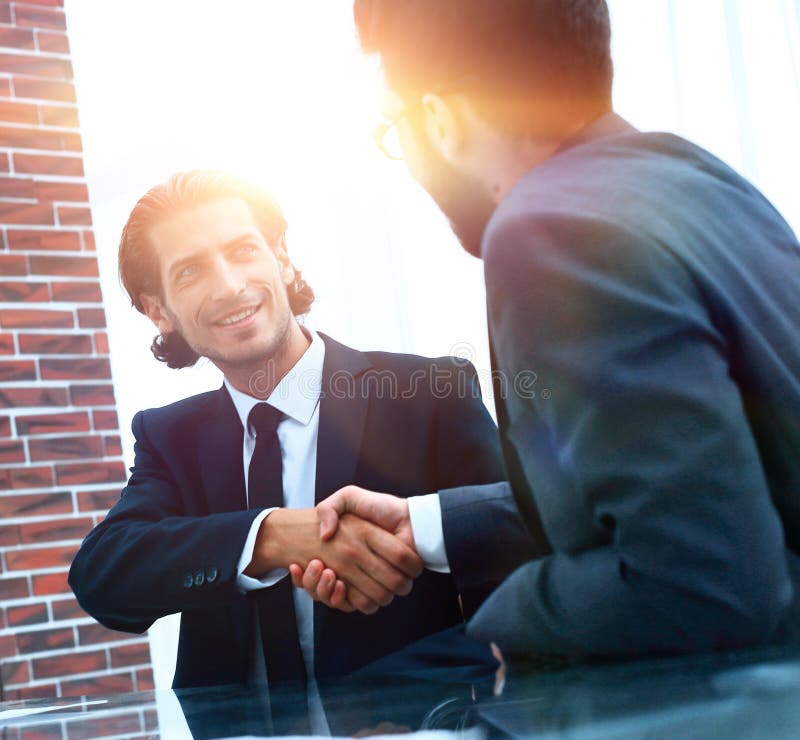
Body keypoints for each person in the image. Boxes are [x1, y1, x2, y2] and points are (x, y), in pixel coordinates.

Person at [297, 0, 800, 660]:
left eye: (398, 128)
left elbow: (704, 586)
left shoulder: (552, 230)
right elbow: (696, 476)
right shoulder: (701, 179)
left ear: (441, 120)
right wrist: (430, 528)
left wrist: (506, 618)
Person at [67, 170, 513, 712]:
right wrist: (272, 538)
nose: (230, 284)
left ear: (280, 257)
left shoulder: (430, 396)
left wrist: (425, 714)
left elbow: (523, 575)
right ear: (159, 311)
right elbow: (105, 577)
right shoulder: (169, 437)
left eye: (243, 250)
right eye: (190, 271)